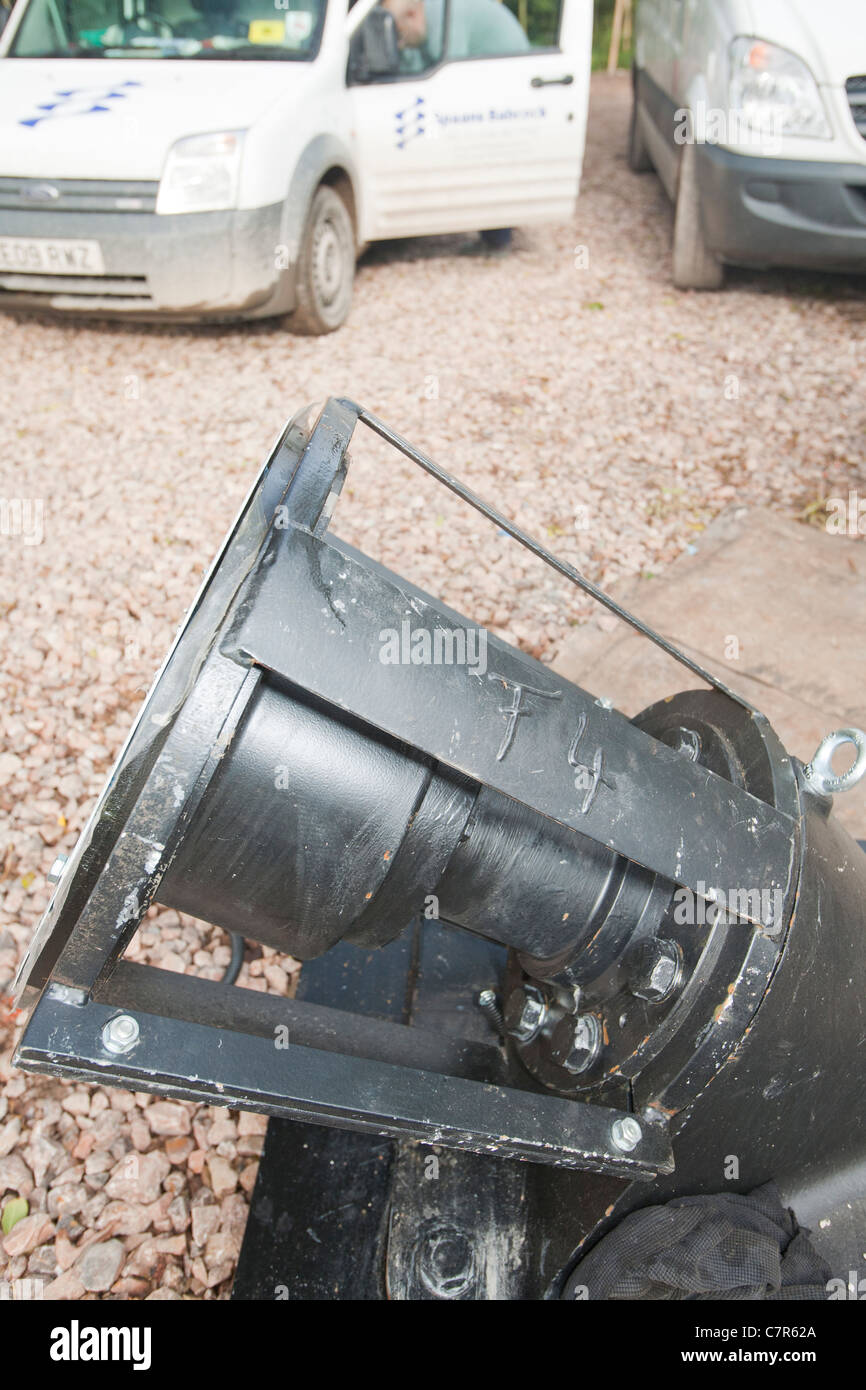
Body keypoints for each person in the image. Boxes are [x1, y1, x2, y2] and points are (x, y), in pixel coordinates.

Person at [382, 0, 529, 68]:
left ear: (412, 15)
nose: (399, 44)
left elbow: (451, 75)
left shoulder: (445, 18)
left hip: (512, 78)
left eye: (399, 34)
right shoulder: (431, 14)